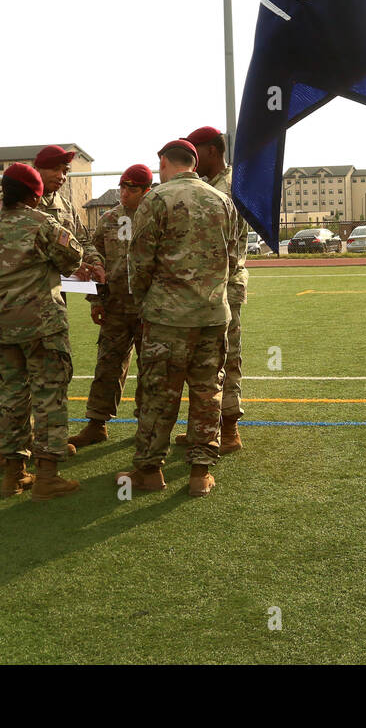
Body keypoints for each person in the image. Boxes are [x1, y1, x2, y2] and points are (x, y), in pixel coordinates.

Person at [119, 139, 239, 497]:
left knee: (159, 394)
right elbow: (232, 259)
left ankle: (150, 471)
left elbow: (139, 261)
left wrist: (143, 302)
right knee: (207, 392)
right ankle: (200, 473)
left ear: (164, 162)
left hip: (167, 318)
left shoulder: (157, 200)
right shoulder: (222, 200)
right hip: (213, 314)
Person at [0, 144, 102, 467]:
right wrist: (71, 260)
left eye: (66, 172)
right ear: (40, 169)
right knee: (18, 383)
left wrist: (93, 263)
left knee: (46, 379)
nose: (63, 178)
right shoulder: (8, 201)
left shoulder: (62, 204)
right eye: (59, 171)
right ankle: (4, 443)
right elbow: (7, 246)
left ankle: (43, 444)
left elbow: (83, 240)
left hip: (50, 300)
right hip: (21, 305)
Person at [0, 163, 85, 500]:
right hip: (41, 323)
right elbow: (73, 258)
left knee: (11, 397)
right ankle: (47, 476)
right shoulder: (41, 223)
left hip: (1, 323)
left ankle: (13, 474)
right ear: (34, 195)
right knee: (49, 396)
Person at [70, 164, 154, 450]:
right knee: (107, 365)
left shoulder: (156, 218)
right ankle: (97, 424)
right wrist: (95, 300)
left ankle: (147, 424)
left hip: (149, 307)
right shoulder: (108, 220)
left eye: (132, 188)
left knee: (151, 369)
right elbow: (95, 262)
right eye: (122, 187)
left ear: (147, 191)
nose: (124, 193)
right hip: (116, 305)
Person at [185, 125, 249, 454]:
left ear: (213, 150)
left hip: (224, 284)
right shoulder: (205, 185)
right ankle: (205, 425)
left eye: (196, 150)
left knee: (228, 356)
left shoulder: (232, 185)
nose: (192, 158)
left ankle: (230, 429)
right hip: (199, 287)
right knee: (202, 360)